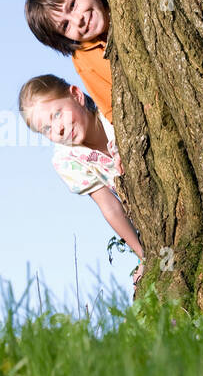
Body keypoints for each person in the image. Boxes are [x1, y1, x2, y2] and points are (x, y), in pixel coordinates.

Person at [18, 74, 144, 283]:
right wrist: (142, 254)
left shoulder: (112, 108)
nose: (57, 129)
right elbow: (109, 206)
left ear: (76, 96)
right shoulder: (67, 159)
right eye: (46, 129)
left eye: (57, 114)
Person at [24, 0, 114, 123]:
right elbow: (114, 111)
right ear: (63, 38)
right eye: (65, 26)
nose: (77, 20)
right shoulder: (83, 59)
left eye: (72, 5)